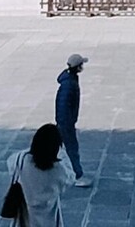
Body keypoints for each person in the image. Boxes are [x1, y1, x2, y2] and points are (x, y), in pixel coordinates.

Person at [5, 123, 76, 227]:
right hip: (49, 217)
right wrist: (62, 152)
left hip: (25, 214)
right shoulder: (58, 170)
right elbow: (71, 178)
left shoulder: (20, 160)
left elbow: (10, 163)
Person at [54, 54, 91, 187]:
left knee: (62, 149)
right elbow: (63, 104)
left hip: (66, 122)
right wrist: (67, 123)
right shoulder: (69, 84)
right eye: (81, 65)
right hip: (66, 123)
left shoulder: (70, 79)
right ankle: (76, 175)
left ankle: (59, 173)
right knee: (72, 148)